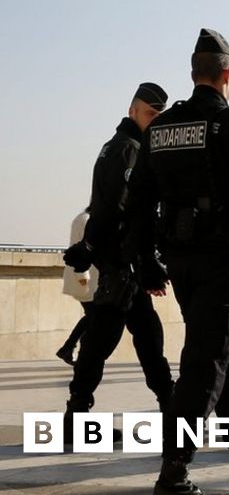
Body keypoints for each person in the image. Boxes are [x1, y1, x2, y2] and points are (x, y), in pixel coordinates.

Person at [127, 29, 229, 493]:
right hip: (223, 262)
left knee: (219, 356)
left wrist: (144, 261)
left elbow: (136, 203)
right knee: (204, 364)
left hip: (179, 262)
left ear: (195, 74)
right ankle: (174, 470)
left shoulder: (161, 128)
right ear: (227, 74)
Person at [61, 83, 175, 442]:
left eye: (158, 115)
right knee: (106, 340)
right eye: (149, 114)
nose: (154, 120)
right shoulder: (128, 150)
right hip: (123, 262)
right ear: (133, 112)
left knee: (140, 337)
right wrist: (96, 246)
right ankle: (77, 417)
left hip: (124, 261)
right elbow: (115, 207)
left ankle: (168, 410)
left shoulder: (122, 147)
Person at [57, 208, 99, 366]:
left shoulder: (80, 217)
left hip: (81, 277)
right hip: (84, 277)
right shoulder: (89, 220)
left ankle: (71, 349)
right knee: (93, 316)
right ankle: (70, 348)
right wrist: (82, 276)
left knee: (91, 316)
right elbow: (83, 249)